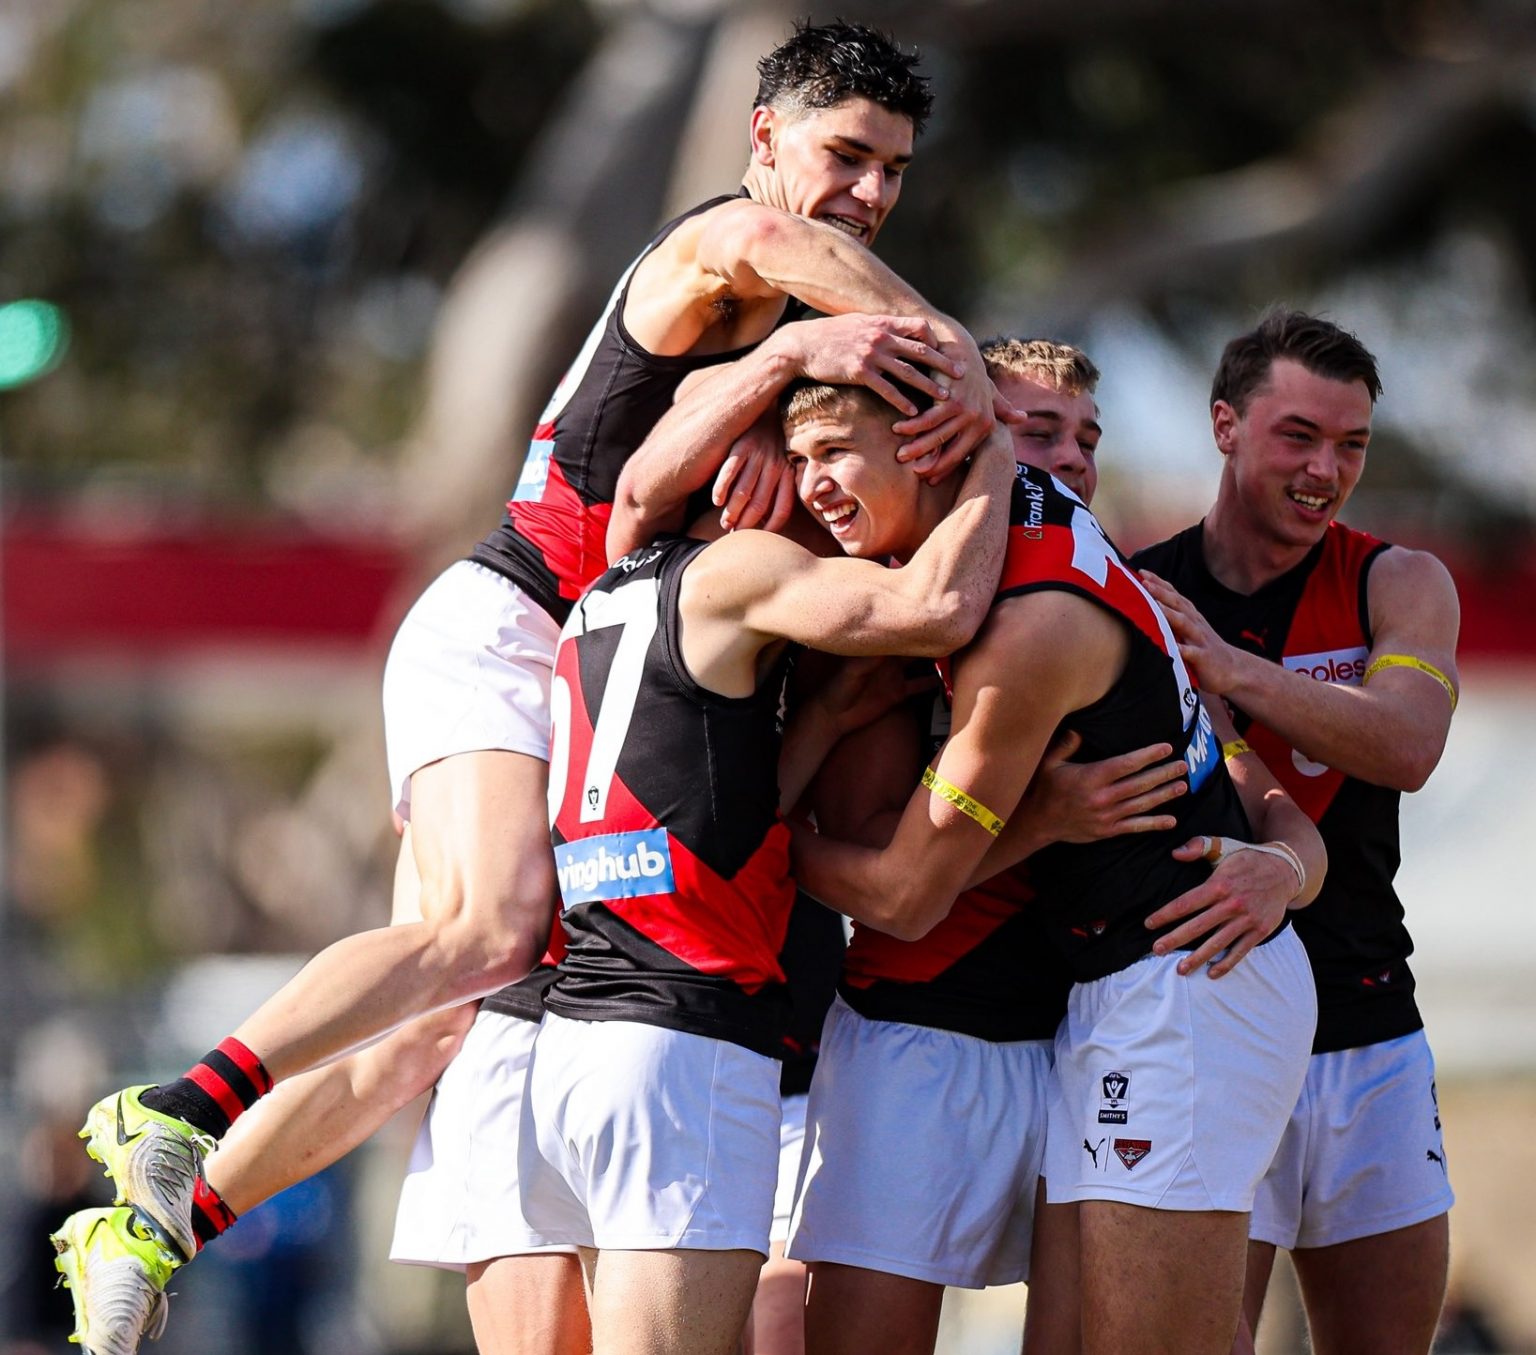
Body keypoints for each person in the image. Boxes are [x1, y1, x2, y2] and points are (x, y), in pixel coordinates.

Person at [49, 20, 1005, 1355]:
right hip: (502, 626)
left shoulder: (780, 350)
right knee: (491, 928)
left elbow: (674, 509)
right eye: (846, 155)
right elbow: (783, 264)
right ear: (765, 140)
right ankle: (179, 1102)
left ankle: (155, 1222)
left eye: (895, 170)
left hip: (569, 669)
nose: (870, 193)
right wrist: (958, 359)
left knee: (420, 1036)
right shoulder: (720, 245)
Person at [788, 381, 1328, 1354]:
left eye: (1087, 433)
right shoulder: (1022, 555)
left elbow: (906, 890)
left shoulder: (1039, 612)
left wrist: (733, 842)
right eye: (1039, 432)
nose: (812, 485)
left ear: (934, 445)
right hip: (1111, 991)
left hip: (1185, 980)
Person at [518, 367, 1017, 1355]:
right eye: (795, 462)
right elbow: (939, 606)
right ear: (739, 477)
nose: (819, 493)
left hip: (583, 1037)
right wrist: (994, 452)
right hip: (680, 1039)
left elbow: (725, 808)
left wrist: (826, 713)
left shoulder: (603, 594)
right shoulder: (736, 568)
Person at [1133, 308, 1460, 1355]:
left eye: (1352, 443)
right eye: (1299, 435)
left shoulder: (1396, 579)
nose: (1327, 468)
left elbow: (1407, 745)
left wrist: (1231, 671)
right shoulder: (1141, 590)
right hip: (1206, 1031)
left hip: (1371, 1026)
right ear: (1225, 424)